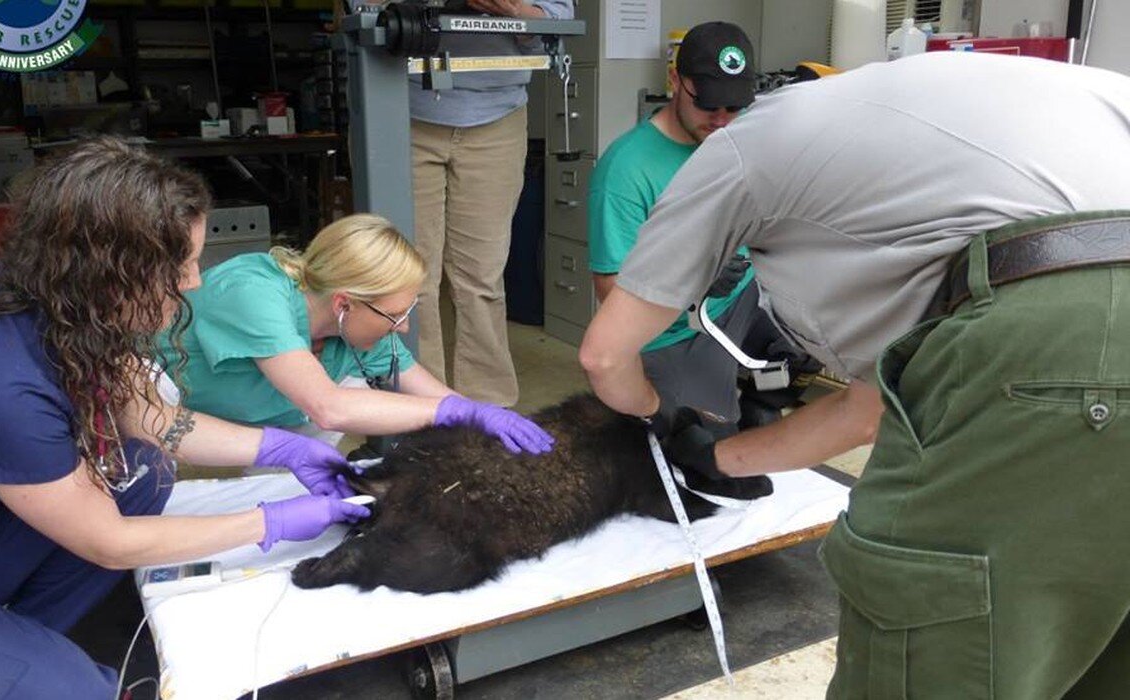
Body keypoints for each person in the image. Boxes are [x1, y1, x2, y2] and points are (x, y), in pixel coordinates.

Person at [579, 51, 1130, 698]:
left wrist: (656, 414)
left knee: (922, 641)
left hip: (1054, 321)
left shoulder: (739, 152)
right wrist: (719, 457)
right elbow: (864, 411)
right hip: (1070, 316)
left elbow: (605, 357)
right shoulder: (924, 150)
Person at [0, 138, 373, 699]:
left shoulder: (59, 295)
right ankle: (0, 661)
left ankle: (8, 641)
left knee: (143, 470)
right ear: (111, 267)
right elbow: (109, 541)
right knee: (72, 690)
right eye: (180, 266)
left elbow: (152, 421)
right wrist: (268, 522)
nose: (195, 282)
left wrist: (281, 448)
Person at [587, 21, 812, 499]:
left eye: (736, 106)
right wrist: (696, 286)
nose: (723, 119)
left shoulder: (743, 140)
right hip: (672, 329)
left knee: (830, 322)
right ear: (676, 82)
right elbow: (610, 296)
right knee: (710, 458)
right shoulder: (626, 169)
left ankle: (761, 393)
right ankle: (724, 409)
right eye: (708, 105)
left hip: (743, 298)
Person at [155, 214, 554, 456]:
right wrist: (452, 413)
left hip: (260, 413)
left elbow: (438, 397)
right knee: (146, 491)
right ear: (344, 304)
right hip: (145, 405)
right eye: (394, 315)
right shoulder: (255, 292)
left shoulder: (358, 334)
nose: (403, 328)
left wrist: (486, 419)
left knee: (349, 394)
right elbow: (328, 407)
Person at [411, 0, 574, 406]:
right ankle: (414, 406)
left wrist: (507, 6)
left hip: (496, 115)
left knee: (481, 275)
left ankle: (488, 409)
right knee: (409, 277)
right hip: (402, 108)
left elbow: (559, 20)